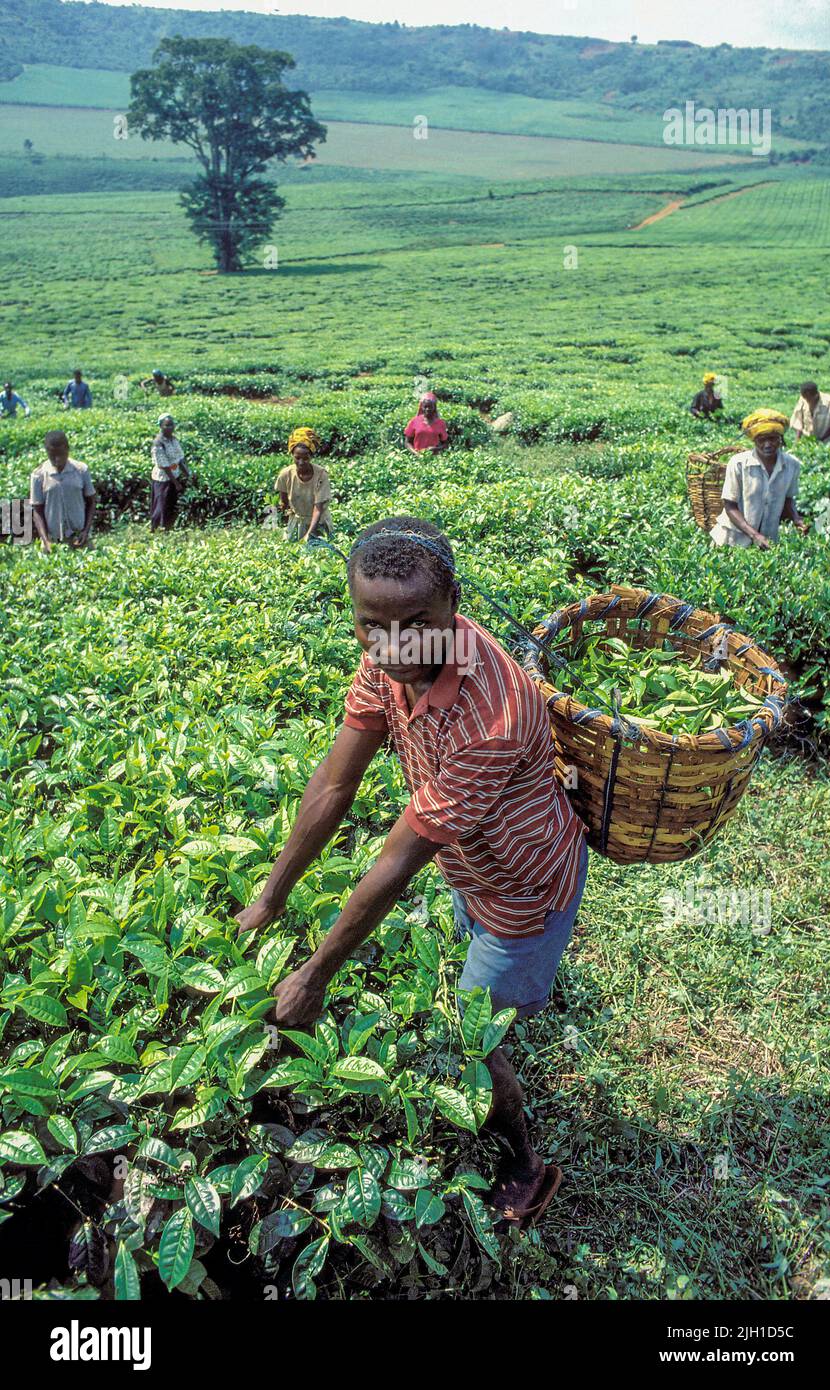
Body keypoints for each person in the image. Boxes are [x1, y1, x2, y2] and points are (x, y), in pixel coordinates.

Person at [236, 516, 588, 1228]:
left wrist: (314, 974)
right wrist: (270, 897)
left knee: (475, 1039)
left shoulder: (493, 711)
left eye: (416, 623)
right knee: (483, 980)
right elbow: (335, 785)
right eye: (372, 624)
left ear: (452, 603)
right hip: (470, 866)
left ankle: (526, 1164)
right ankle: (523, 994)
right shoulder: (388, 657)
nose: (394, 646)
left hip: (522, 885)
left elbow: (398, 859)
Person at [710, 409, 808, 550]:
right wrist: (754, 535)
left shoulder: (792, 465)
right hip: (732, 540)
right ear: (754, 440)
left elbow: (788, 498)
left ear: (780, 439)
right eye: (762, 439)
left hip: (767, 541)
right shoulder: (739, 463)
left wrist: (796, 518)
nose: (767, 444)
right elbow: (730, 505)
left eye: (773, 438)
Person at [29, 430, 96, 553]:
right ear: (47, 452)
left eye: (60, 454)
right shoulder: (38, 475)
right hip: (53, 540)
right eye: (52, 455)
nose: (57, 459)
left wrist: (85, 531)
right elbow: (37, 510)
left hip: (79, 535)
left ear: (67, 449)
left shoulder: (81, 470)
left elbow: (91, 502)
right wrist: (45, 541)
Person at [275, 427, 333, 543]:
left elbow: (318, 508)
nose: (301, 462)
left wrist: (310, 534)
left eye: (305, 458)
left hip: (319, 523)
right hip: (297, 523)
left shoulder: (321, 475)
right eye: (297, 458)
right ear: (292, 455)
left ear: (311, 456)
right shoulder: (285, 475)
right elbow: (284, 502)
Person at [150, 414, 186, 533]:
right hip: (163, 479)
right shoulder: (158, 443)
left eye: (171, 424)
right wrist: (176, 483)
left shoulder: (174, 439)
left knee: (170, 503)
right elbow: (164, 465)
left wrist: (187, 473)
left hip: (174, 475)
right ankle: (158, 529)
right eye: (167, 425)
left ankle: (168, 527)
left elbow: (180, 458)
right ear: (160, 426)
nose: (170, 427)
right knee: (161, 505)